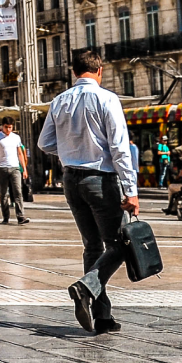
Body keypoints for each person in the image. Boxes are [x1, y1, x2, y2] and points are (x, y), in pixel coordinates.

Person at [39, 49, 138, 336]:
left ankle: (102, 316)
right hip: (101, 179)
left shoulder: (59, 101)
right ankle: (86, 287)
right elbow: (120, 148)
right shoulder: (107, 98)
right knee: (121, 244)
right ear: (100, 70)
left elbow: (45, 143)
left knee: (92, 247)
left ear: (73, 71)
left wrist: (71, 151)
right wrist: (130, 190)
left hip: (71, 179)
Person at [0, 118, 30, 225]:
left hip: (15, 167)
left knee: (18, 192)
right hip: (2, 168)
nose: (8, 129)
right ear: (2, 126)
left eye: (10, 127)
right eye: (6, 127)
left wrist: (24, 169)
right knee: (4, 194)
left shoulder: (16, 137)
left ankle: (20, 216)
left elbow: (20, 153)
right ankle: (5, 216)